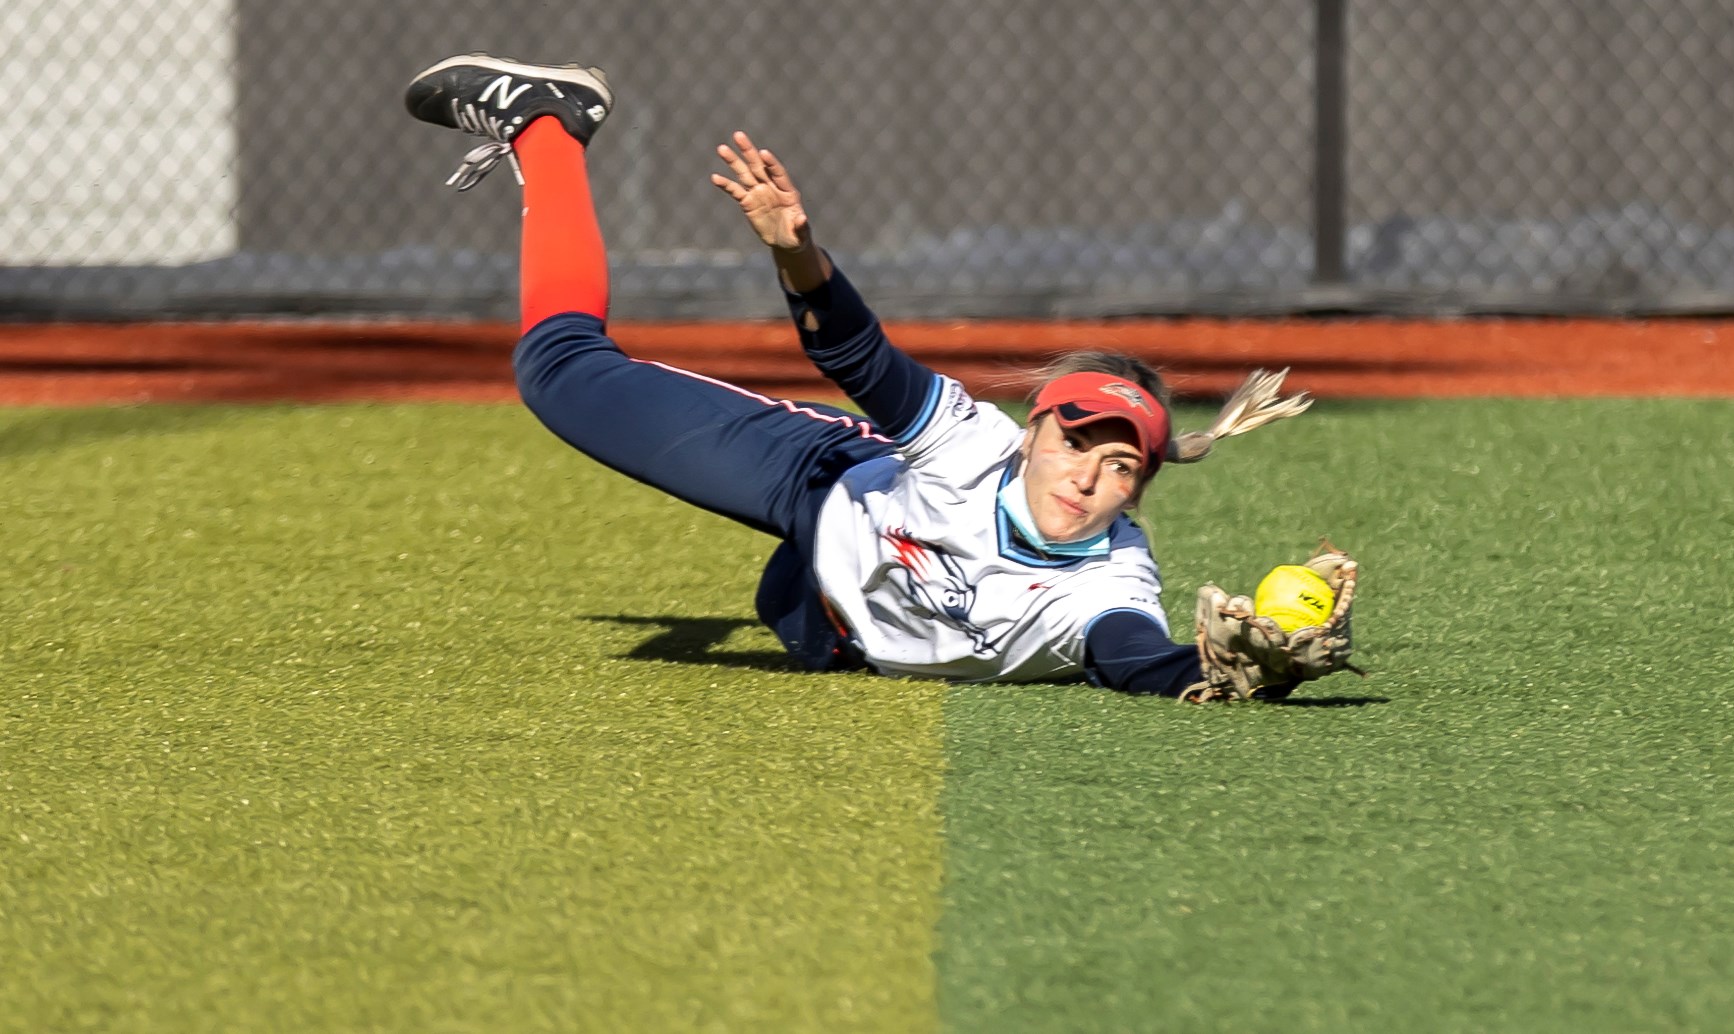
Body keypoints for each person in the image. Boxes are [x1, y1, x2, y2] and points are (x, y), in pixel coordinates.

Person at [402, 54, 1357, 701]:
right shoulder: (970, 446)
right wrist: (801, 259)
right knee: (560, 372)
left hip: (823, 626)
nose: (1089, 477)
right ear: (1033, 431)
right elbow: (857, 360)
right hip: (816, 487)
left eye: (1121, 467)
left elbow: (1136, 659)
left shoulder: (1108, 578)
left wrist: (1236, 665)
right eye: (1076, 441)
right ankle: (547, 127)